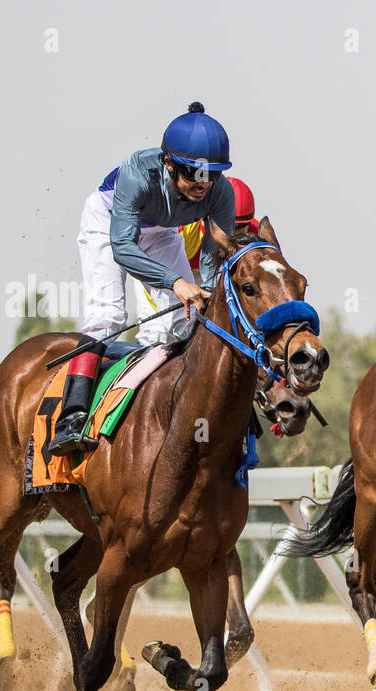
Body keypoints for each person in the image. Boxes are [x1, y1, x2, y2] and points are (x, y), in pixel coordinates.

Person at [48, 102, 236, 456]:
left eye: (212, 174)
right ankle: (71, 416)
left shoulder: (220, 192)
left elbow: (212, 263)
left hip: (162, 231)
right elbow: (123, 248)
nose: (204, 184)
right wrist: (175, 282)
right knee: (109, 315)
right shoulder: (137, 171)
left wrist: (206, 291)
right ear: (168, 163)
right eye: (195, 173)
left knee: (189, 318)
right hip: (109, 225)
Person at [134, 176, 259, 324]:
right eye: (222, 225)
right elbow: (161, 281)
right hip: (162, 271)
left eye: (238, 229)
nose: (231, 235)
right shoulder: (184, 231)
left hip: (210, 276)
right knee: (163, 328)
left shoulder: (255, 234)